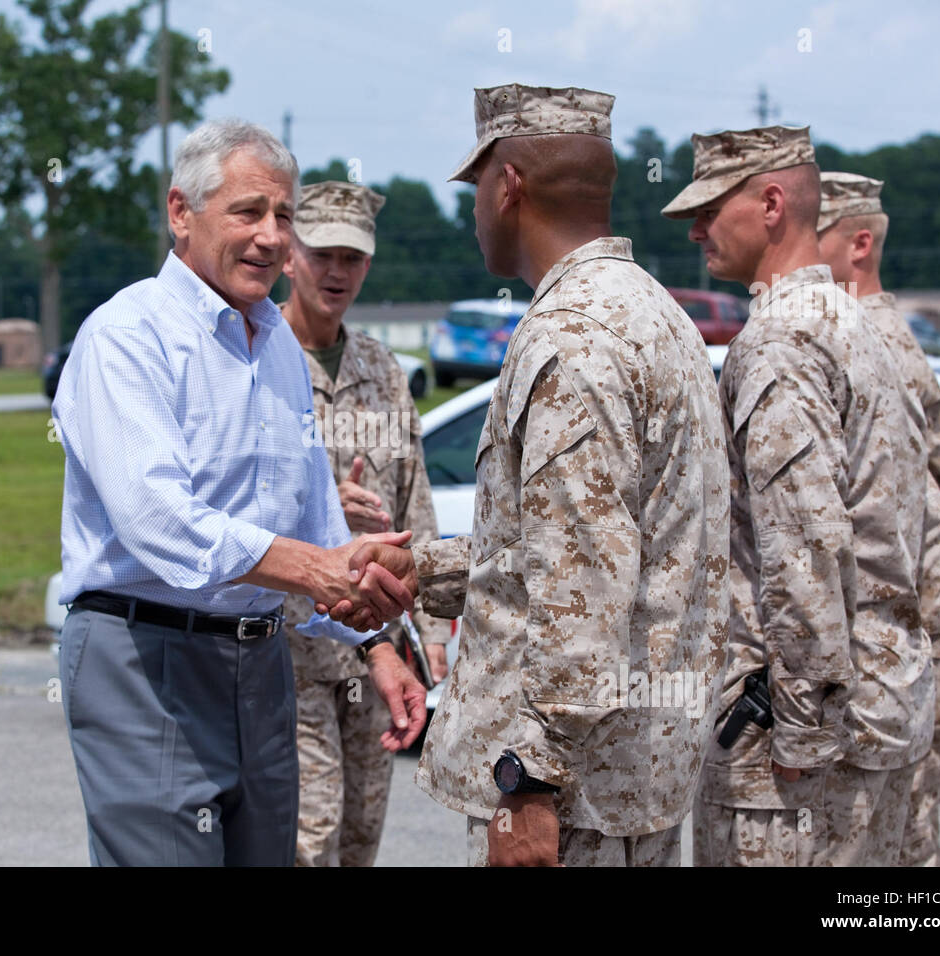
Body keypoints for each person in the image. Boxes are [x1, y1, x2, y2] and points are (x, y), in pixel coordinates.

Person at [325, 83, 731, 867]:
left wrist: (529, 781)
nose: (475, 208)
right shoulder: (650, 311)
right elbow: (576, 553)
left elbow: (587, 587)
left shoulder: (572, 338)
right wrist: (427, 568)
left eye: (477, 185)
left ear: (507, 185)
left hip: (573, 793)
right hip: (626, 775)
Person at [51, 119, 425, 867]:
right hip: (145, 656)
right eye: (248, 211)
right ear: (180, 212)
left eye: (284, 217)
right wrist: (312, 569)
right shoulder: (127, 335)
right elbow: (157, 519)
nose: (270, 237)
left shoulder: (277, 345)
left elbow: (317, 516)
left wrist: (377, 645)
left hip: (260, 668)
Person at [662, 126, 934, 865]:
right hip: (881, 701)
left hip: (800, 748)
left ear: (772, 203)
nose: (695, 230)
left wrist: (802, 726)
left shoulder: (781, 341)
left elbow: (805, 545)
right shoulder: (858, 322)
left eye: (711, 209)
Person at [278, 181, 452, 867]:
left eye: (353, 257)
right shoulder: (258, 357)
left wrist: (432, 627)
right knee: (308, 836)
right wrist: (322, 501)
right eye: (322, 253)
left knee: (359, 836)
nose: (337, 272)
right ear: (291, 254)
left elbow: (415, 500)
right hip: (292, 647)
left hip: (378, 642)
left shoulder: (381, 368)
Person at [817, 172, 940, 866]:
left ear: (860, 243)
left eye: (813, 234)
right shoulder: (874, 334)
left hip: (903, 633)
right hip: (912, 632)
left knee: (896, 855)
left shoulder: (868, 341)